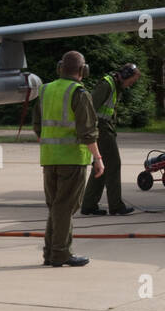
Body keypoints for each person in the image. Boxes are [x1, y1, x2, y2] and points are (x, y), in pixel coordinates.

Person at [32, 50, 104, 267]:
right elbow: (88, 132)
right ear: (83, 70)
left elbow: (37, 127)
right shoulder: (79, 93)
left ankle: (51, 253)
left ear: (60, 67)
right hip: (72, 160)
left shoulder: (44, 90)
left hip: (49, 159)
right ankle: (61, 253)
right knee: (65, 207)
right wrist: (98, 158)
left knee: (56, 206)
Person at [81, 62, 141, 217]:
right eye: (131, 81)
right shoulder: (107, 84)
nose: (130, 85)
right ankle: (116, 206)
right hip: (101, 129)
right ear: (125, 76)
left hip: (104, 127)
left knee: (101, 166)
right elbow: (91, 107)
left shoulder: (114, 85)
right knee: (113, 164)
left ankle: (89, 205)